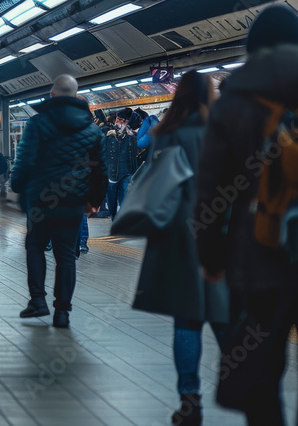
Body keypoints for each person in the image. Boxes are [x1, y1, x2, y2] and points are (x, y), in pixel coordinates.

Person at [196, 5, 298, 426]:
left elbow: (211, 190)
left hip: (258, 254)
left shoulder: (234, 102)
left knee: (260, 369)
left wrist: (211, 257)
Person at [131, 71, 227, 426]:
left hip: (176, 239)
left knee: (186, 320)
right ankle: (247, 385)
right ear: (207, 97)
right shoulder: (220, 132)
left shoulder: (164, 135)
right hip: (217, 234)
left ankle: (190, 401)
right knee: (225, 316)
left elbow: (158, 189)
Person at [11, 75, 106, 328]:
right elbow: (100, 169)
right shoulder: (93, 130)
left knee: (35, 246)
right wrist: (94, 200)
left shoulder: (37, 124)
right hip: (73, 201)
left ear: (52, 95)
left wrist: (17, 185)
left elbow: (26, 160)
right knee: (66, 256)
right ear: (75, 97)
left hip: (41, 200)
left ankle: (38, 301)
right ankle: (62, 312)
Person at [104, 107, 138, 221]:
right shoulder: (107, 133)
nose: (120, 122)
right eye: (119, 119)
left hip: (126, 170)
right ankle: (114, 216)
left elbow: (134, 152)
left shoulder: (131, 136)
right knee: (111, 197)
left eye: (123, 120)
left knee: (124, 194)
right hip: (111, 170)